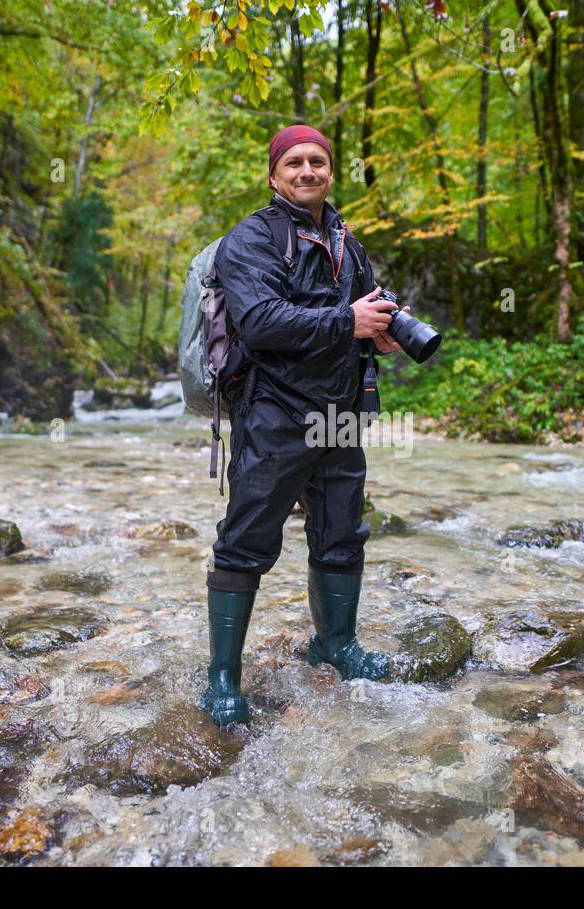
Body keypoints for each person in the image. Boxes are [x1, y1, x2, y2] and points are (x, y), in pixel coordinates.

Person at [199, 124, 402, 728]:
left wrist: (383, 329)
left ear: (331, 172)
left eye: (318, 161)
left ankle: (335, 647)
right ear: (273, 175)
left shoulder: (345, 240)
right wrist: (348, 321)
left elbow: (362, 309)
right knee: (246, 540)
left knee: (342, 534)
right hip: (274, 414)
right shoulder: (251, 239)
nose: (307, 171)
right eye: (294, 162)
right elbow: (260, 322)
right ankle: (222, 678)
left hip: (340, 413)